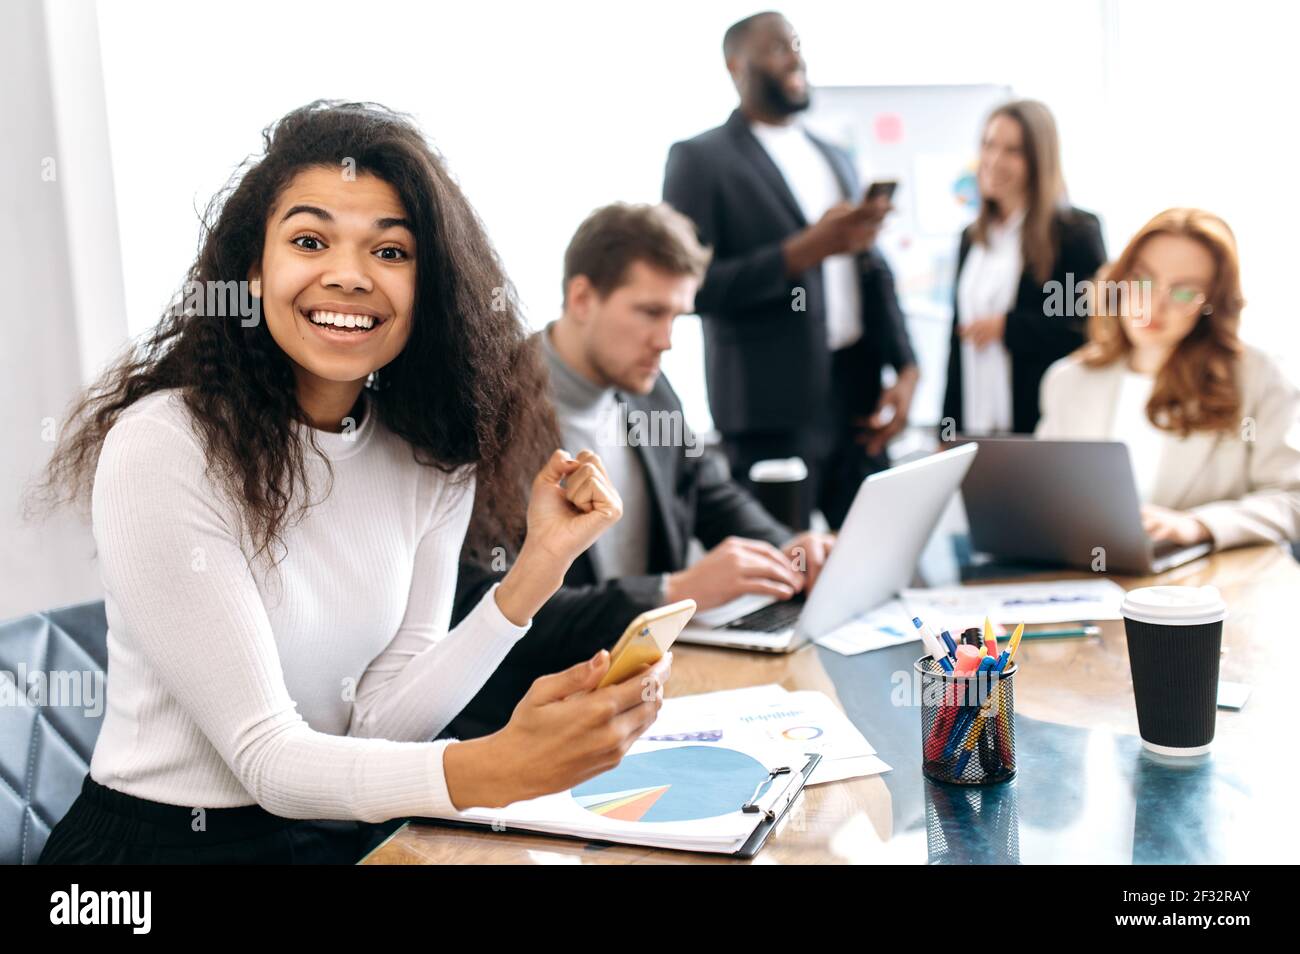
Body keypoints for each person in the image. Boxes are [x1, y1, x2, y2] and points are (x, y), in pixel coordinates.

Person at [32, 101, 669, 864]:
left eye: (391, 252)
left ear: (426, 287)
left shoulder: (431, 455)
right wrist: (495, 766)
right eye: (309, 241)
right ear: (254, 269)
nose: (348, 275)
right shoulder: (165, 444)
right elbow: (268, 761)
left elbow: (375, 726)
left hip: (335, 831)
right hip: (156, 850)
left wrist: (537, 569)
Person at [447, 202, 834, 739]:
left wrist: (789, 548)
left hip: (646, 701)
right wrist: (668, 591)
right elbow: (487, 610)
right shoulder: (489, 413)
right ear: (582, 298)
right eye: (651, 313)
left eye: (678, 317)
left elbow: (709, 491)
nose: (668, 340)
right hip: (528, 721)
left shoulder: (651, 392)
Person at [663, 10, 918, 530]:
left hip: (858, 396)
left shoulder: (834, 156)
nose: (795, 57)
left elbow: (871, 267)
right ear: (737, 65)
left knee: (882, 560)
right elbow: (693, 287)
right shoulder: (699, 159)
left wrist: (907, 366)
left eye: (797, 44)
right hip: (767, 410)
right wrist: (803, 251)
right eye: (778, 48)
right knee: (780, 576)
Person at [1037, 208, 1300, 549]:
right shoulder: (1068, 380)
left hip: (1211, 586)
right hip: (1093, 575)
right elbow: (1044, 496)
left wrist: (1199, 525)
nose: (1153, 306)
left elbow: (1292, 500)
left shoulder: (1259, 377)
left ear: (1212, 303)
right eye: (1142, 281)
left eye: (1183, 292)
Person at [942, 99, 1106, 435]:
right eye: (988, 145)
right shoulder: (971, 239)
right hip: (975, 425)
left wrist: (1008, 328)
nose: (994, 160)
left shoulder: (1073, 233)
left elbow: (1085, 330)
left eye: (1013, 151)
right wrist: (947, 427)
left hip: (1041, 423)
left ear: (1038, 159)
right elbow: (956, 341)